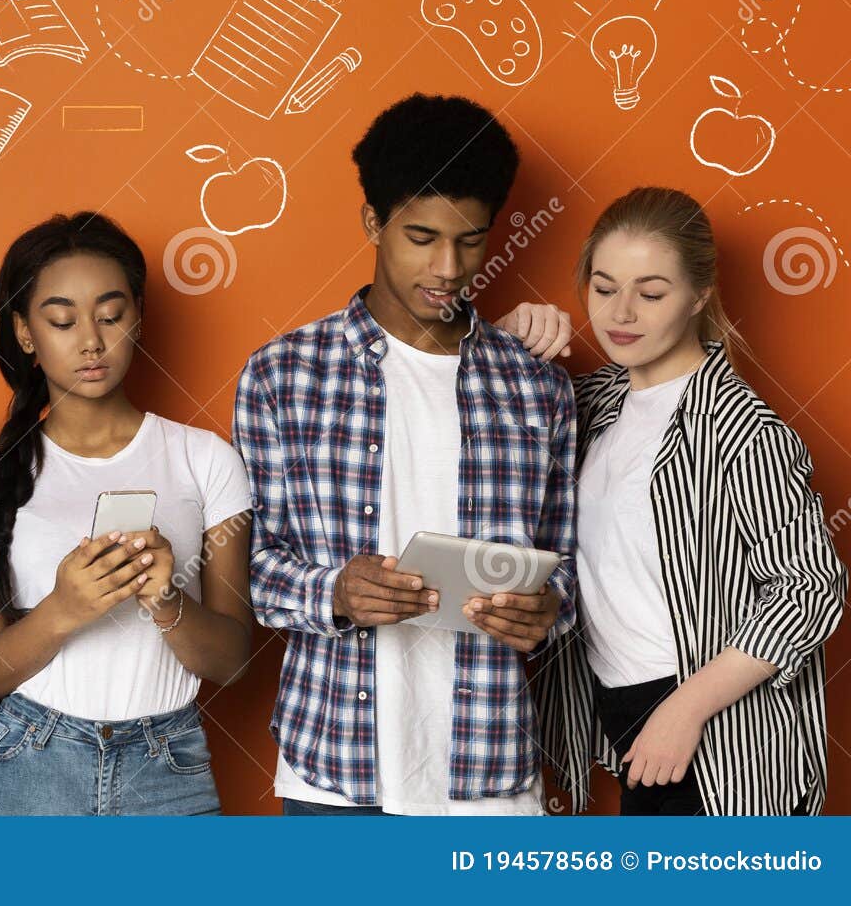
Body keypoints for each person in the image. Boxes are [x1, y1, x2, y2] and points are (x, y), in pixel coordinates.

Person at [234, 93, 578, 816]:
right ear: (373, 222)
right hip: (335, 762)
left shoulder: (538, 384)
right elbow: (248, 567)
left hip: (489, 766)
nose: (448, 268)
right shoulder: (282, 375)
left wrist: (547, 607)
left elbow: (569, 566)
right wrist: (333, 590)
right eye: (421, 236)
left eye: (472, 240)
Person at [523, 187, 847, 815]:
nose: (621, 312)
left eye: (650, 293)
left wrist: (685, 709)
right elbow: (497, 410)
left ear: (699, 296)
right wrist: (511, 335)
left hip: (720, 737)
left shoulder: (741, 430)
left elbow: (811, 591)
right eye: (603, 286)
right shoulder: (590, 404)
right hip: (624, 715)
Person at [0, 212, 254, 816]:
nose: (91, 341)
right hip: (28, 759)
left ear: (138, 318)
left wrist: (166, 601)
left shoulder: (206, 460)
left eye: (111, 315)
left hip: (166, 761)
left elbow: (235, 662)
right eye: (62, 320)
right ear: (25, 333)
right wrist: (63, 610)